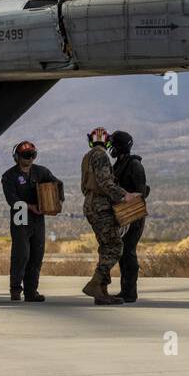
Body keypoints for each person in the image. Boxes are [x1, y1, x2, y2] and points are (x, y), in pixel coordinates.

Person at [81, 127, 141, 305]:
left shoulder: (87, 156)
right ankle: (95, 283)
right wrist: (124, 195)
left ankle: (102, 292)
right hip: (101, 207)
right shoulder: (100, 156)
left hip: (91, 204)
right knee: (115, 246)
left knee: (105, 247)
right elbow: (105, 182)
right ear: (107, 142)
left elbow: (86, 185)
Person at [1, 140, 63, 303]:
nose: (29, 158)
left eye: (32, 155)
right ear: (17, 157)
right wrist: (30, 206)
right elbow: (12, 199)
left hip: (37, 218)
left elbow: (58, 184)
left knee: (37, 254)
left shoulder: (41, 172)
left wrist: (57, 202)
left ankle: (31, 291)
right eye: (25, 155)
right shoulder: (9, 176)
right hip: (20, 218)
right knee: (21, 255)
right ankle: (15, 289)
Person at [108, 131, 149, 303]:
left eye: (113, 145)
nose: (111, 148)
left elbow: (141, 192)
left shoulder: (134, 165)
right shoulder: (120, 164)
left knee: (129, 252)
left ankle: (130, 292)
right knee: (123, 252)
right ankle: (126, 290)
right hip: (122, 213)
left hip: (133, 214)